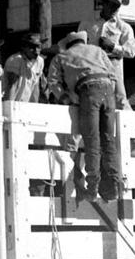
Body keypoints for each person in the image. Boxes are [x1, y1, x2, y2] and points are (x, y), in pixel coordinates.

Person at [48, 31, 121, 201]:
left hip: (88, 90)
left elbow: (53, 82)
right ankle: (113, 186)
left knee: (92, 140)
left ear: (68, 44)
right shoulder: (98, 51)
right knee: (109, 139)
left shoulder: (61, 56)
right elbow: (113, 75)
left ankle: (93, 187)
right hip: (107, 89)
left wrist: (66, 97)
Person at [79, 0, 135, 110]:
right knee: (92, 97)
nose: (116, 9)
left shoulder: (124, 27)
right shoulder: (87, 24)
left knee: (120, 100)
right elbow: (80, 47)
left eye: (118, 6)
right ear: (104, 4)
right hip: (92, 66)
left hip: (113, 66)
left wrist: (113, 47)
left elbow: (131, 51)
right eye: (112, 5)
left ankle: (127, 125)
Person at [0, 32, 45, 102]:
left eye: (38, 47)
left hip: (25, 104)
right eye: (32, 47)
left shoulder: (40, 61)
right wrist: (10, 107)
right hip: (12, 102)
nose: (36, 51)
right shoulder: (15, 60)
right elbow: (12, 86)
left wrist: (34, 106)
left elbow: (35, 86)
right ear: (24, 47)